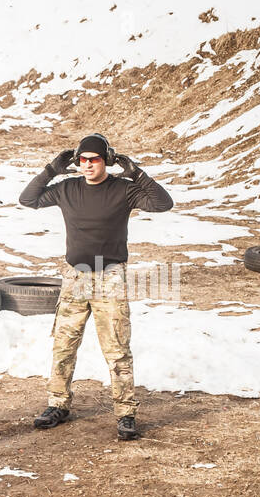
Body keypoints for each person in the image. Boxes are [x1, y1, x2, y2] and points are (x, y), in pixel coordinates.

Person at [19, 133, 173, 440]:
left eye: (95, 159)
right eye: (83, 160)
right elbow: (28, 199)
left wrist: (137, 174)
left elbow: (163, 203)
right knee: (64, 345)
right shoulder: (66, 188)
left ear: (108, 160)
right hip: (75, 278)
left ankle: (126, 413)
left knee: (116, 349)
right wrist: (51, 170)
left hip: (109, 278)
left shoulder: (124, 190)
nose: (88, 165)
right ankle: (58, 404)